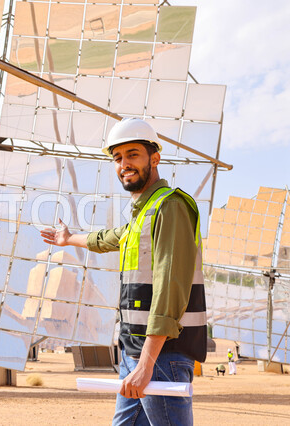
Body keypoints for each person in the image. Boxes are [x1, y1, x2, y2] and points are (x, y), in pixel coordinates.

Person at [40, 118, 207, 425]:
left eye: (133, 154)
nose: (124, 164)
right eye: (118, 158)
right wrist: (68, 239)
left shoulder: (169, 208)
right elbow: (108, 238)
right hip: (135, 351)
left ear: (154, 158)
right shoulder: (142, 215)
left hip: (161, 356)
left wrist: (147, 363)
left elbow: (169, 289)